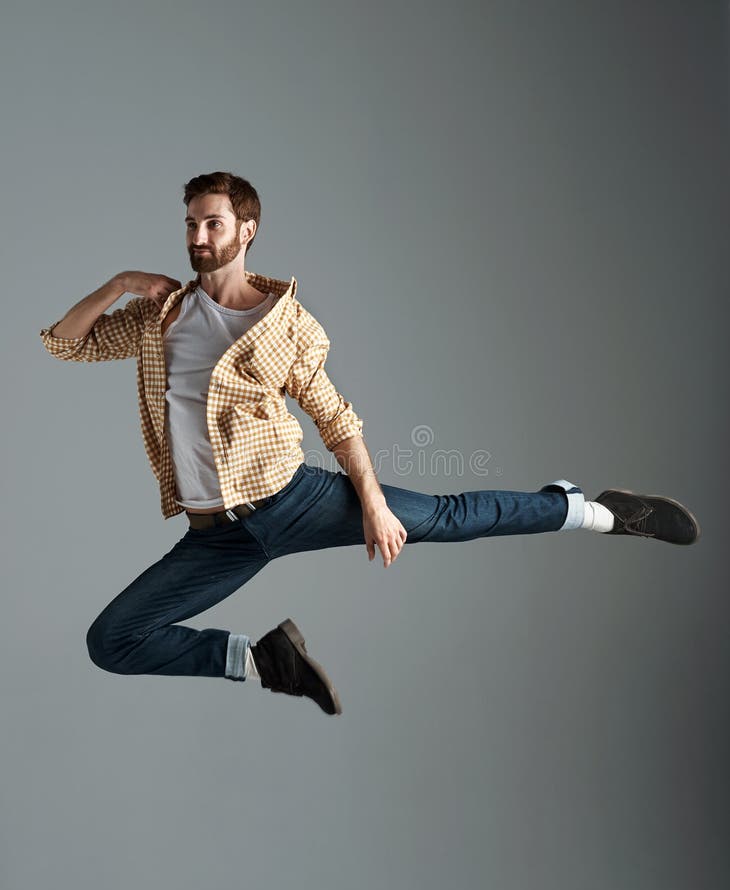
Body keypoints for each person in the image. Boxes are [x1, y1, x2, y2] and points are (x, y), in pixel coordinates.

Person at [38, 171, 701, 716]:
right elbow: (68, 342)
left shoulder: (283, 322)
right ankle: (261, 660)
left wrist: (374, 504)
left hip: (290, 501)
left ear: (247, 230)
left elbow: (335, 416)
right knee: (112, 640)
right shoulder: (160, 317)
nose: (199, 236)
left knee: (447, 519)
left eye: (213, 223)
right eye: (190, 223)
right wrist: (122, 282)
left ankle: (600, 512)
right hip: (216, 537)